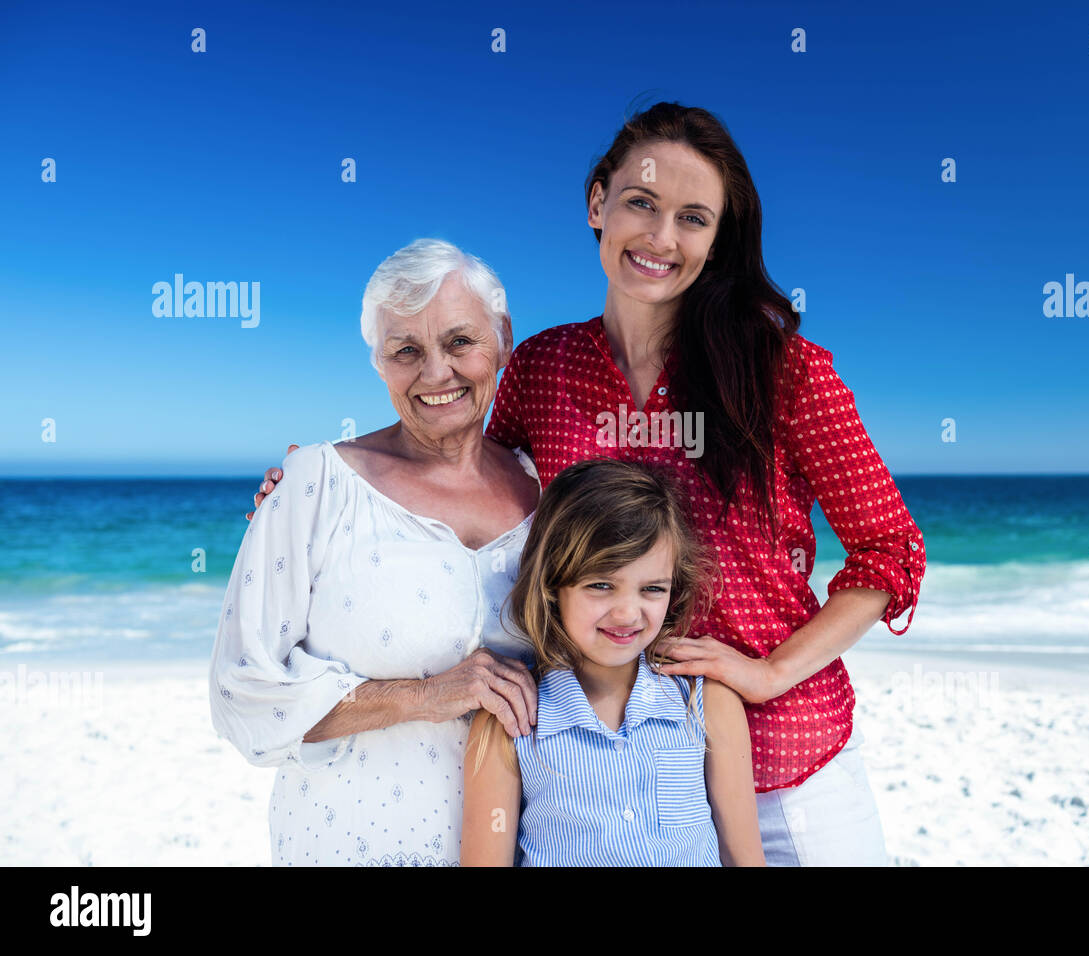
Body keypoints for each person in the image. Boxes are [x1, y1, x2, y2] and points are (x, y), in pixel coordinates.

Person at [251, 101, 927, 865]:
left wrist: (768, 672)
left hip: (780, 767)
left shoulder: (786, 372)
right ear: (597, 202)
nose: (662, 238)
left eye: (694, 217)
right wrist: (327, 488)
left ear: (719, 235)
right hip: (592, 770)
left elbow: (888, 549)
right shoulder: (543, 368)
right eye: (642, 202)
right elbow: (469, 482)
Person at [211, 238, 543, 866]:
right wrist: (423, 695)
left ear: (503, 336)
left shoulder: (550, 495)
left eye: (460, 342)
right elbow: (240, 693)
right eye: (405, 351)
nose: (435, 373)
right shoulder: (316, 485)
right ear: (378, 362)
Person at [460, 458, 764, 866]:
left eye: (651, 589)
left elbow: (744, 858)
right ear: (553, 586)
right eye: (601, 585)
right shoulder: (508, 721)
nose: (626, 613)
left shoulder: (707, 702)